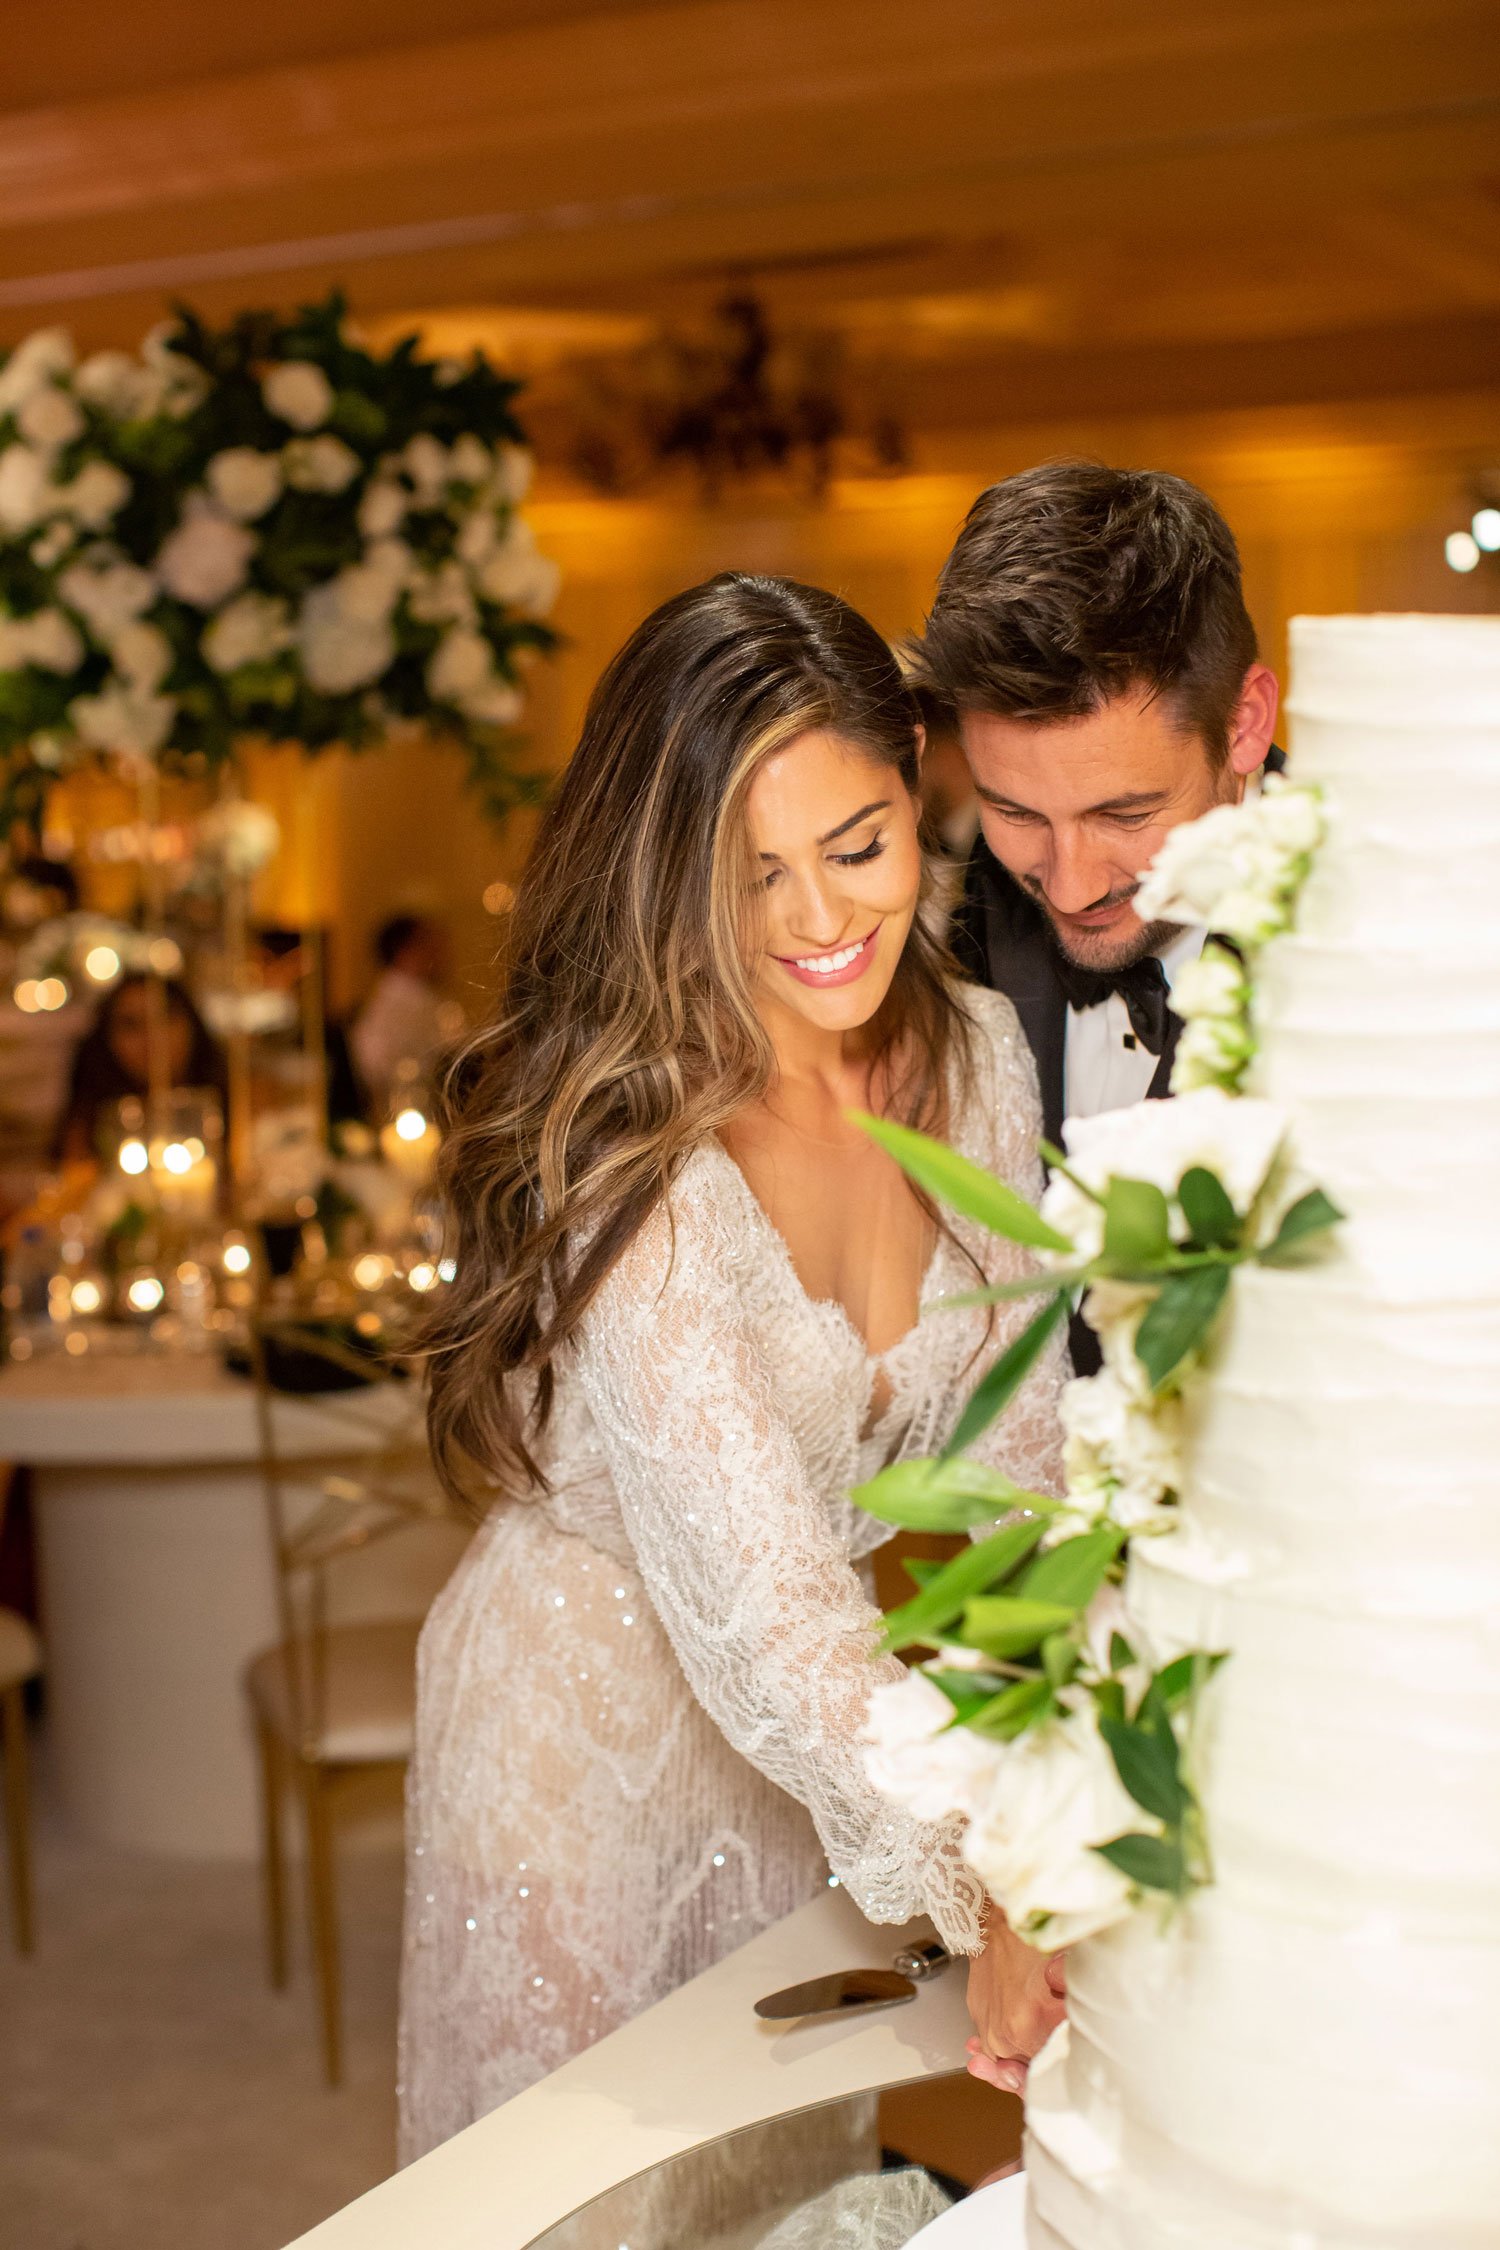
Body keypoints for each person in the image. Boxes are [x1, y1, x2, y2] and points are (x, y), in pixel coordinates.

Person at [398, 573, 1066, 2161]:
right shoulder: (633, 1154)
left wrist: (1065, 1788)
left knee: (772, 2182)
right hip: (576, 1724)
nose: (820, 922)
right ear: (662, 869)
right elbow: (772, 1608)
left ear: (921, 776)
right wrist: (992, 1865)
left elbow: (1025, 1465)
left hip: (814, 1769)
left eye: (857, 845)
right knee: (588, 2190)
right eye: (747, 874)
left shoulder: (979, 1057)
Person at [911, 460, 1281, 2097]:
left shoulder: (1413, 961)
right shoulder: (948, 937)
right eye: (1015, 812)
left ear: (1248, 723)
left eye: (1128, 815)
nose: (1065, 880)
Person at [52, 973, 227, 1165]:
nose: (151, 1038)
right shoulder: (88, 1127)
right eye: (131, 1025)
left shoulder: (237, 1108)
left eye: (164, 1018)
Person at [348, 913, 456, 1116]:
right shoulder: (399, 1006)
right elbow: (377, 1068)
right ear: (405, 951)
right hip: (408, 1113)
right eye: (429, 942)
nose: (440, 951)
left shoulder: (420, 999)